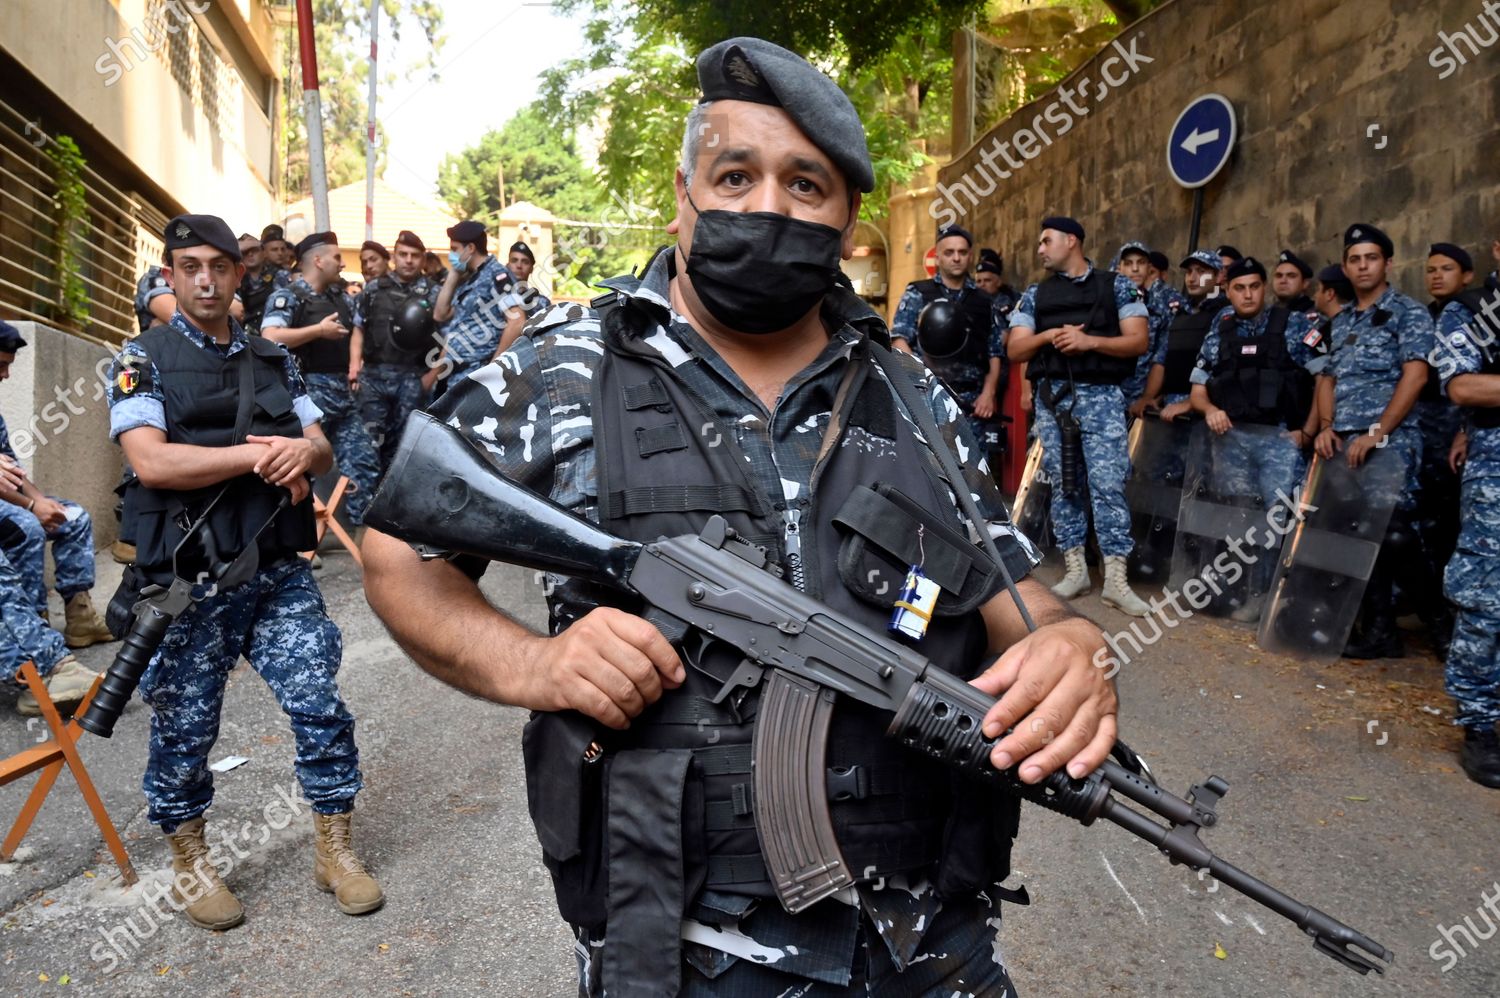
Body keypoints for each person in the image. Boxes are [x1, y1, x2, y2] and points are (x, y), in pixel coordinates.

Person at [364, 36, 1117, 996]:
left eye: (806, 186)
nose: (767, 206)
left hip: (926, 947)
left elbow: (1019, 601)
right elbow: (398, 551)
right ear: (683, 195)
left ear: (849, 224)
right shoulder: (567, 369)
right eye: (735, 175)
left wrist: (1074, 647)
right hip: (676, 949)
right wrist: (539, 665)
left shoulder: (914, 397)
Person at [107, 213, 381, 930]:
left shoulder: (272, 356)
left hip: (274, 571)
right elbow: (151, 461)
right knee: (186, 730)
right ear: (170, 276)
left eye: (219, 266)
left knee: (318, 701)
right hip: (192, 581)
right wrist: (263, 455)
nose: (204, 279)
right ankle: (191, 859)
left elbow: (318, 445)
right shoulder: (143, 356)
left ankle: (335, 848)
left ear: (238, 275)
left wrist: (304, 456)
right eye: (189, 266)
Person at [1007, 216, 1153, 615]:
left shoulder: (1116, 285)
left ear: (1071, 241)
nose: (1039, 249)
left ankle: (1116, 580)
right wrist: (1049, 337)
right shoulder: (1036, 295)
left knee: (1108, 485)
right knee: (1064, 483)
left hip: (1102, 398)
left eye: (1046, 241)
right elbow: (1016, 349)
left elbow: (1139, 340)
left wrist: (1088, 341)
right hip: (1055, 401)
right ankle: (1076, 570)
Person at [1313, 223, 1436, 659]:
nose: (1362, 266)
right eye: (1354, 259)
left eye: (1371, 258)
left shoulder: (1408, 312)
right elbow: (1327, 377)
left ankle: (1439, 622)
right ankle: (1381, 631)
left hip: (1392, 441)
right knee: (1359, 534)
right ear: (1345, 267)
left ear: (1388, 263)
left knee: (1395, 532)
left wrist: (1377, 433)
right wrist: (1327, 425)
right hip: (1344, 443)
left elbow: (1416, 375)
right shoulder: (1341, 320)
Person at [1187, 256, 1327, 620]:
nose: (1247, 295)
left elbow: (1325, 380)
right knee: (1237, 517)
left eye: (1254, 286)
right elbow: (1198, 388)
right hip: (1232, 440)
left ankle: (1276, 597)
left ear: (1264, 288)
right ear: (1228, 291)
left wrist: (1310, 431)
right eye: (1239, 288)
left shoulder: (1295, 325)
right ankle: (1240, 592)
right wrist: (1209, 410)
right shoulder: (1221, 327)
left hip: (1279, 441)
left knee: (1278, 518)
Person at [0, 323, 115, 649]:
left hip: (9, 502)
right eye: (1, 365)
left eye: (8, 365)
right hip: (11, 511)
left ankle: (80, 618)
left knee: (73, 516)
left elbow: (12, 470)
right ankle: (34, 628)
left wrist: (41, 502)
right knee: (25, 528)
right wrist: (31, 509)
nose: (6, 375)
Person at [260, 232, 382, 529]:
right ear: (318, 260)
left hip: (342, 395)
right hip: (307, 398)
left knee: (365, 461)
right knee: (299, 469)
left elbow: (359, 330)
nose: (342, 264)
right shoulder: (287, 295)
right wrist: (318, 331)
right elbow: (270, 336)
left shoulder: (339, 298)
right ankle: (296, 540)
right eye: (337, 257)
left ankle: (362, 540)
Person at [1436, 236, 1500, 786]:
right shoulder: (1472, 311)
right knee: (1486, 597)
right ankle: (1480, 722)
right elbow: (1461, 385)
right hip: (1494, 471)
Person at [890, 224, 1003, 446]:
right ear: (938, 256)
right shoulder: (918, 293)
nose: (956, 258)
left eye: (962, 252)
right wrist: (920, 384)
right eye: (949, 252)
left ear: (970, 256)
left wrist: (988, 394)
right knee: (930, 472)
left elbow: (995, 351)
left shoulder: (984, 301)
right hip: (928, 397)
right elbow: (900, 340)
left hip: (973, 403)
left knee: (975, 474)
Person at [356, 230, 441, 473]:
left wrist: (431, 376)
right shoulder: (373, 288)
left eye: (415, 255)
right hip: (373, 377)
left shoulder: (434, 293)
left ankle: (394, 504)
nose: (409, 260)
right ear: (394, 256)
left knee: (406, 447)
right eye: (403, 254)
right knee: (369, 443)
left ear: (423, 259)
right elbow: (358, 327)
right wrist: (355, 367)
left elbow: (449, 339)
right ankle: (368, 500)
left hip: (413, 376)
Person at [1132, 250, 1224, 420]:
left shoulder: (1226, 313)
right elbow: (1162, 360)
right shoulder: (1181, 313)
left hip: (1208, 413)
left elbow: (1225, 370)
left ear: (1219, 277)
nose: (1192, 278)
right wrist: (1149, 398)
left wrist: (1191, 402)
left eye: (1201, 272)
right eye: (1189, 272)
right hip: (1171, 409)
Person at [431, 220, 514, 391]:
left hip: (479, 375)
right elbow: (440, 314)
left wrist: (494, 367)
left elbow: (516, 320)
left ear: (470, 248)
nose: (451, 255)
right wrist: (454, 271)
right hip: (456, 374)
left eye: (454, 249)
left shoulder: (497, 275)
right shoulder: (470, 279)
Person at [1115, 241, 1163, 411]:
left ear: (1149, 267)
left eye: (1141, 262)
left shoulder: (1160, 306)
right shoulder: (1105, 302)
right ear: (1119, 268)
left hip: (1142, 399)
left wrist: (1147, 397)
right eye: (1128, 263)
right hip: (1107, 395)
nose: (1135, 269)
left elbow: (1161, 356)